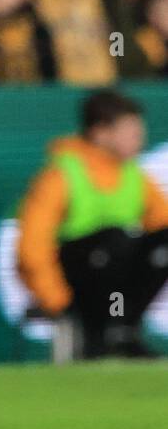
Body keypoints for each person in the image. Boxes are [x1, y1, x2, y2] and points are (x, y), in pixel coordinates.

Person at [16, 90, 168, 359]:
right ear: (101, 133)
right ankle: (96, 333)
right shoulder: (61, 175)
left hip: (114, 269)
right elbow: (33, 246)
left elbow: (162, 224)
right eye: (130, 130)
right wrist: (57, 300)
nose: (140, 138)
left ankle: (123, 330)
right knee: (115, 240)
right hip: (75, 275)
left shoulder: (132, 174)